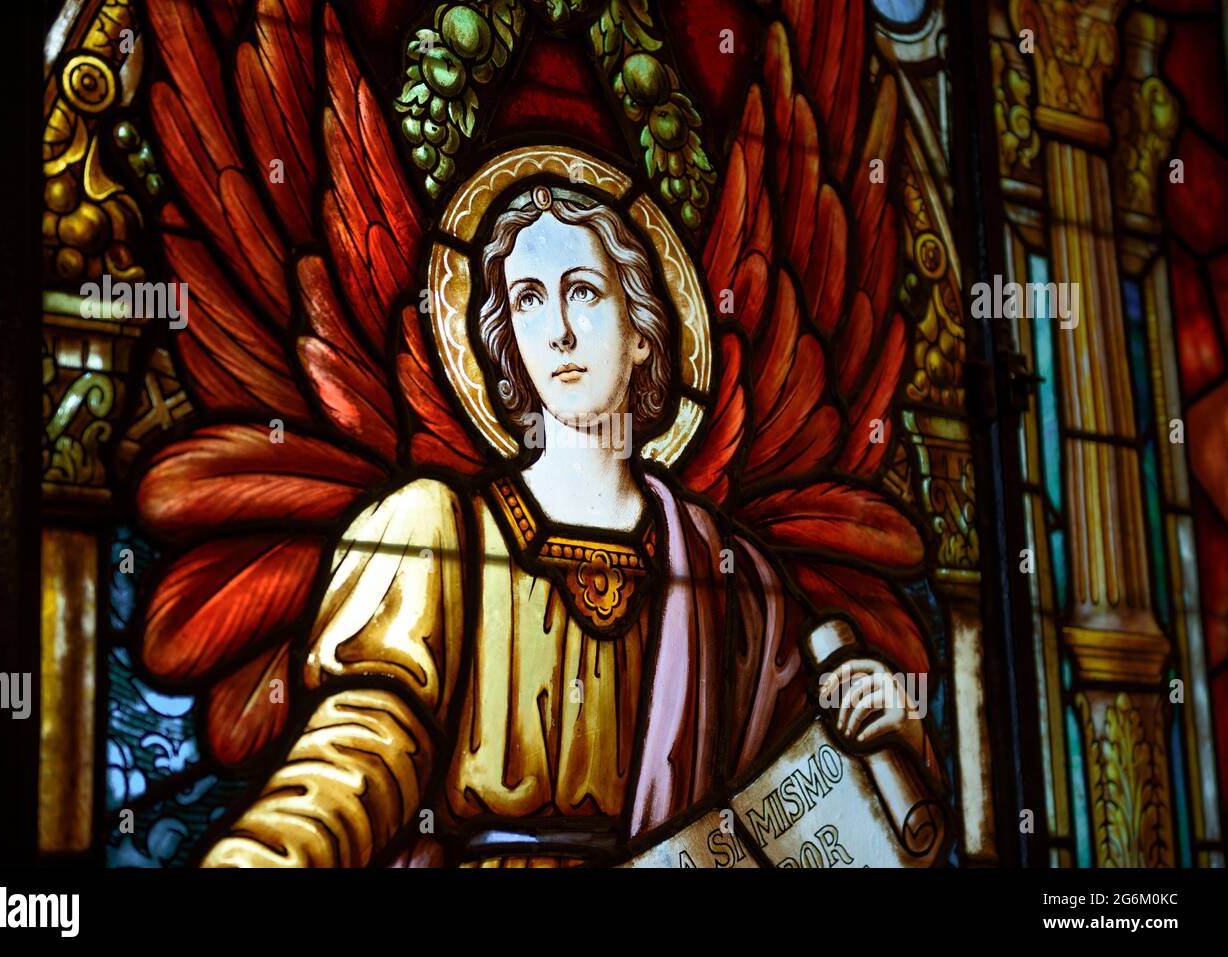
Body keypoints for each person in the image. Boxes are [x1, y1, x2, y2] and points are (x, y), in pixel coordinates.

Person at [199, 186, 928, 867]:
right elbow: (361, 750)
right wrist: (271, 852)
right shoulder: (440, 535)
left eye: (583, 291)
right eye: (528, 300)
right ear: (507, 336)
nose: (560, 330)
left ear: (642, 329)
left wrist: (885, 727)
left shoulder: (727, 577)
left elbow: (811, 815)